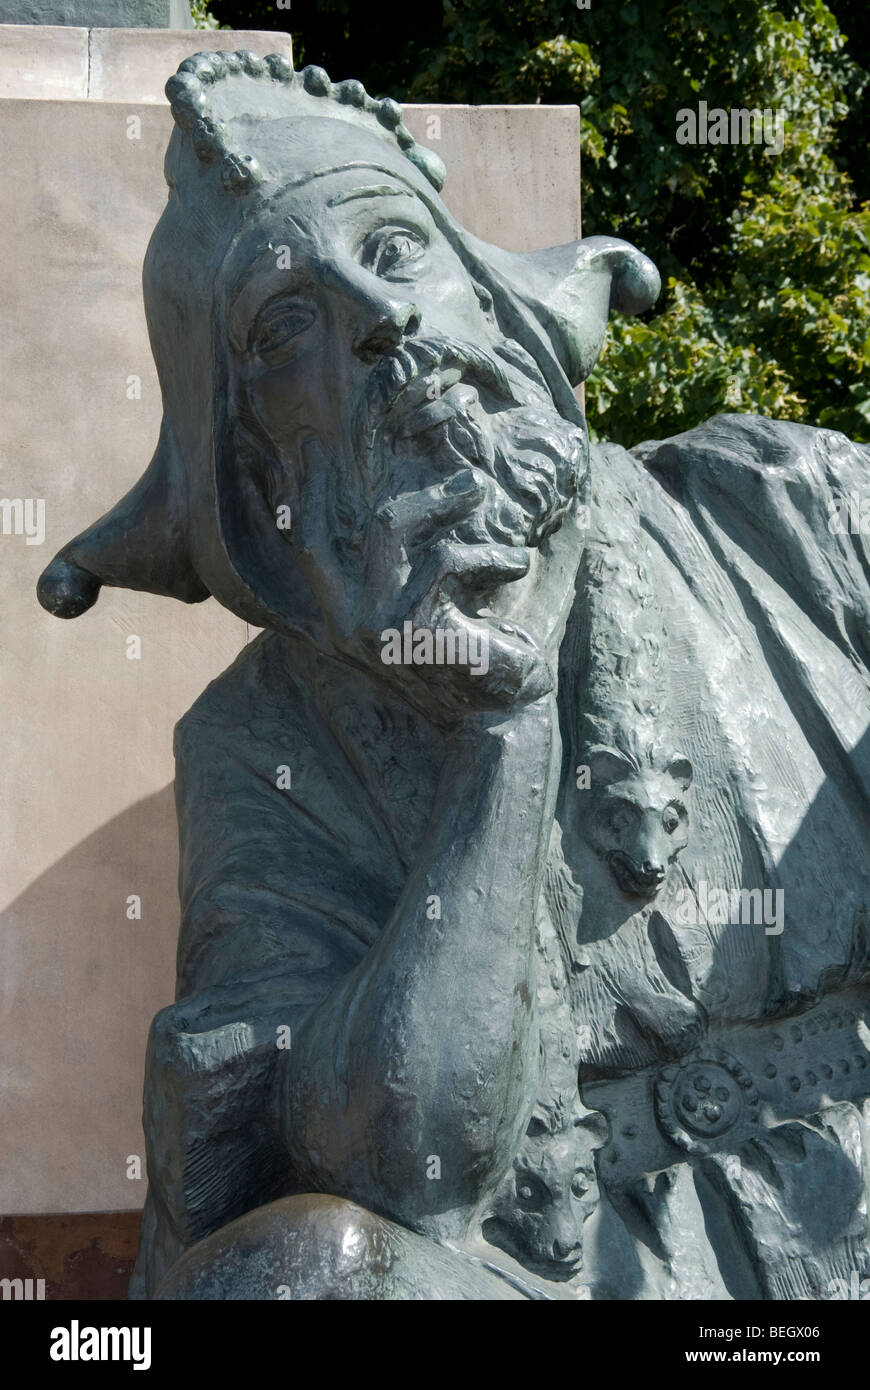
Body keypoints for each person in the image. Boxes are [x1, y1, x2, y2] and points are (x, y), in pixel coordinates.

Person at [38, 53, 870, 1300]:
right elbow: (405, 1166)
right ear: (259, 478)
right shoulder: (258, 739)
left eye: (397, 248)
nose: (381, 321)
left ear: (488, 294)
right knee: (299, 1279)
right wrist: (503, 732)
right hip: (572, 1276)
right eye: (286, 327)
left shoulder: (787, 512)